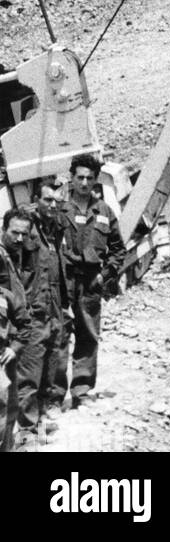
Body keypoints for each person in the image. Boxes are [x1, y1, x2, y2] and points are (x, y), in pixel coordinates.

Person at [56, 155, 125, 408]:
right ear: (71, 178)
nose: (84, 182)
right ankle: (54, 395)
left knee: (88, 335)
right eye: (80, 177)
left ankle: (82, 391)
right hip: (63, 280)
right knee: (60, 336)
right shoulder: (58, 209)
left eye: (89, 178)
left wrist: (105, 275)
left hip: (90, 282)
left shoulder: (104, 212)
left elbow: (119, 249)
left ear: (96, 180)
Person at [13, 184, 69, 437]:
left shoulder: (53, 229)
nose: (53, 205)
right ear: (36, 200)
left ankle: (43, 418)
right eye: (47, 200)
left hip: (53, 307)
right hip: (34, 310)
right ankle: (27, 428)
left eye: (57, 201)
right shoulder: (27, 229)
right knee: (30, 372)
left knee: (51, 364)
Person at [0, 215, 30, 452]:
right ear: (3, 229)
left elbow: (19, 315)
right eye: (14, 233)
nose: (19, 238)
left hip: (6, 344)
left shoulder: (13, 254)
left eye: (24, 234)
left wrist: (14, 347)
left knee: (9, 404)